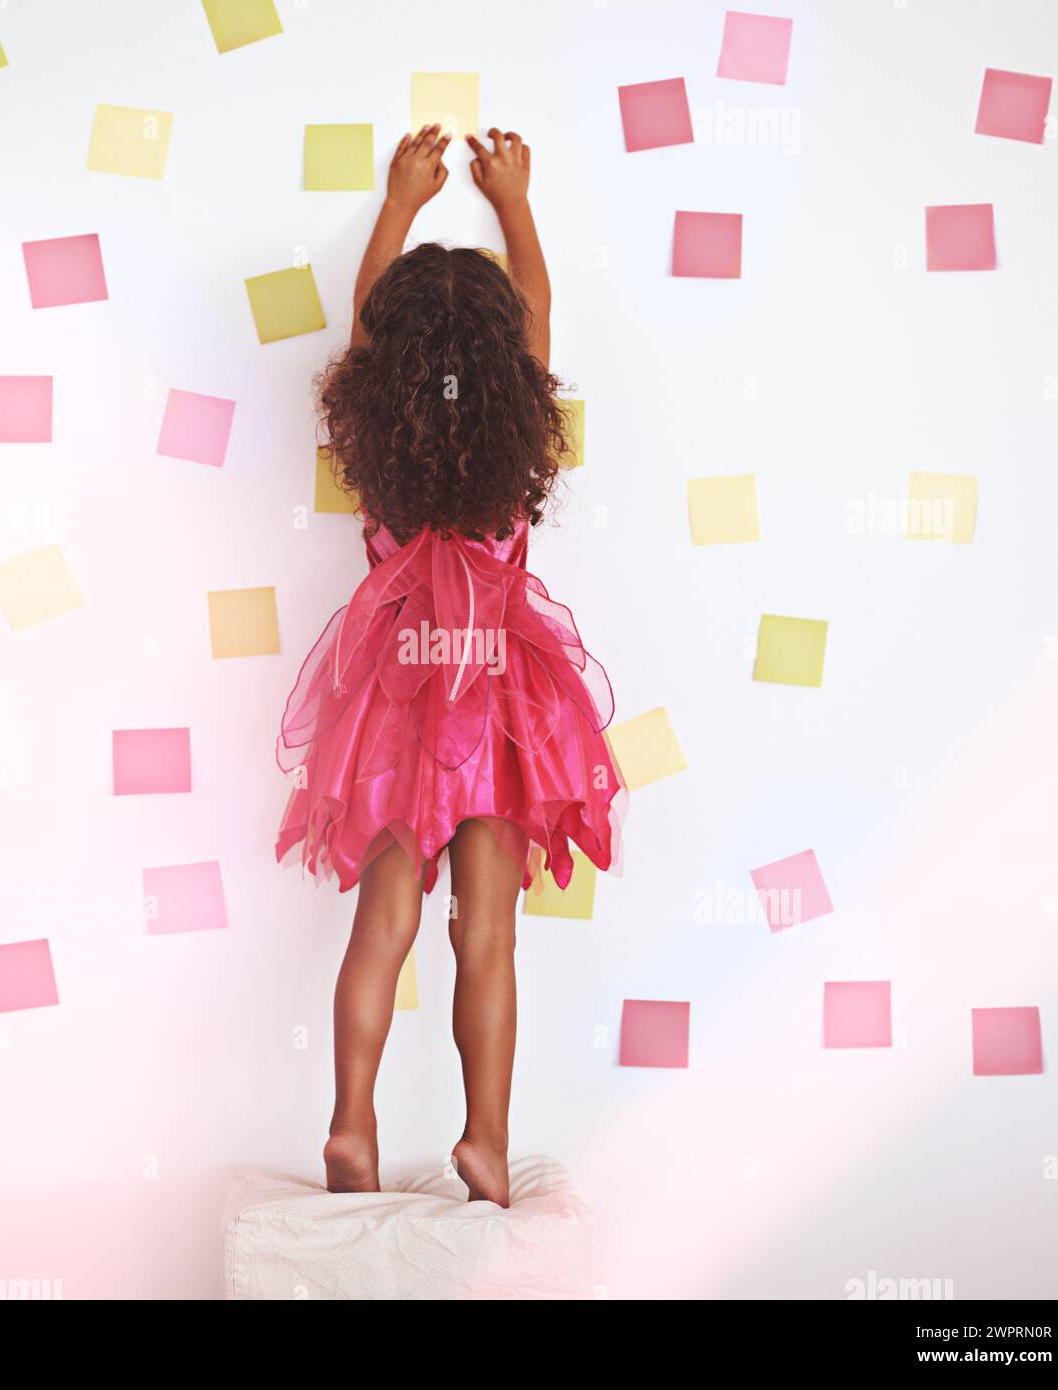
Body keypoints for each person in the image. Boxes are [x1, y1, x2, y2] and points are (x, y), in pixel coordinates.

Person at [275, 125, 626, 1207]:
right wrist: (513, 204)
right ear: (504, 368)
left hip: (396, 701)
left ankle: (350, 1120)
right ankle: (482, 1138)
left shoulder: (376, 455)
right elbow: (537, 314)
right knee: (488, 933)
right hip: (498, 700)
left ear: (382, 379)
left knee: (381, 918)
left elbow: (367, 321)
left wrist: (396, 206)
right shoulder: (515, 452)